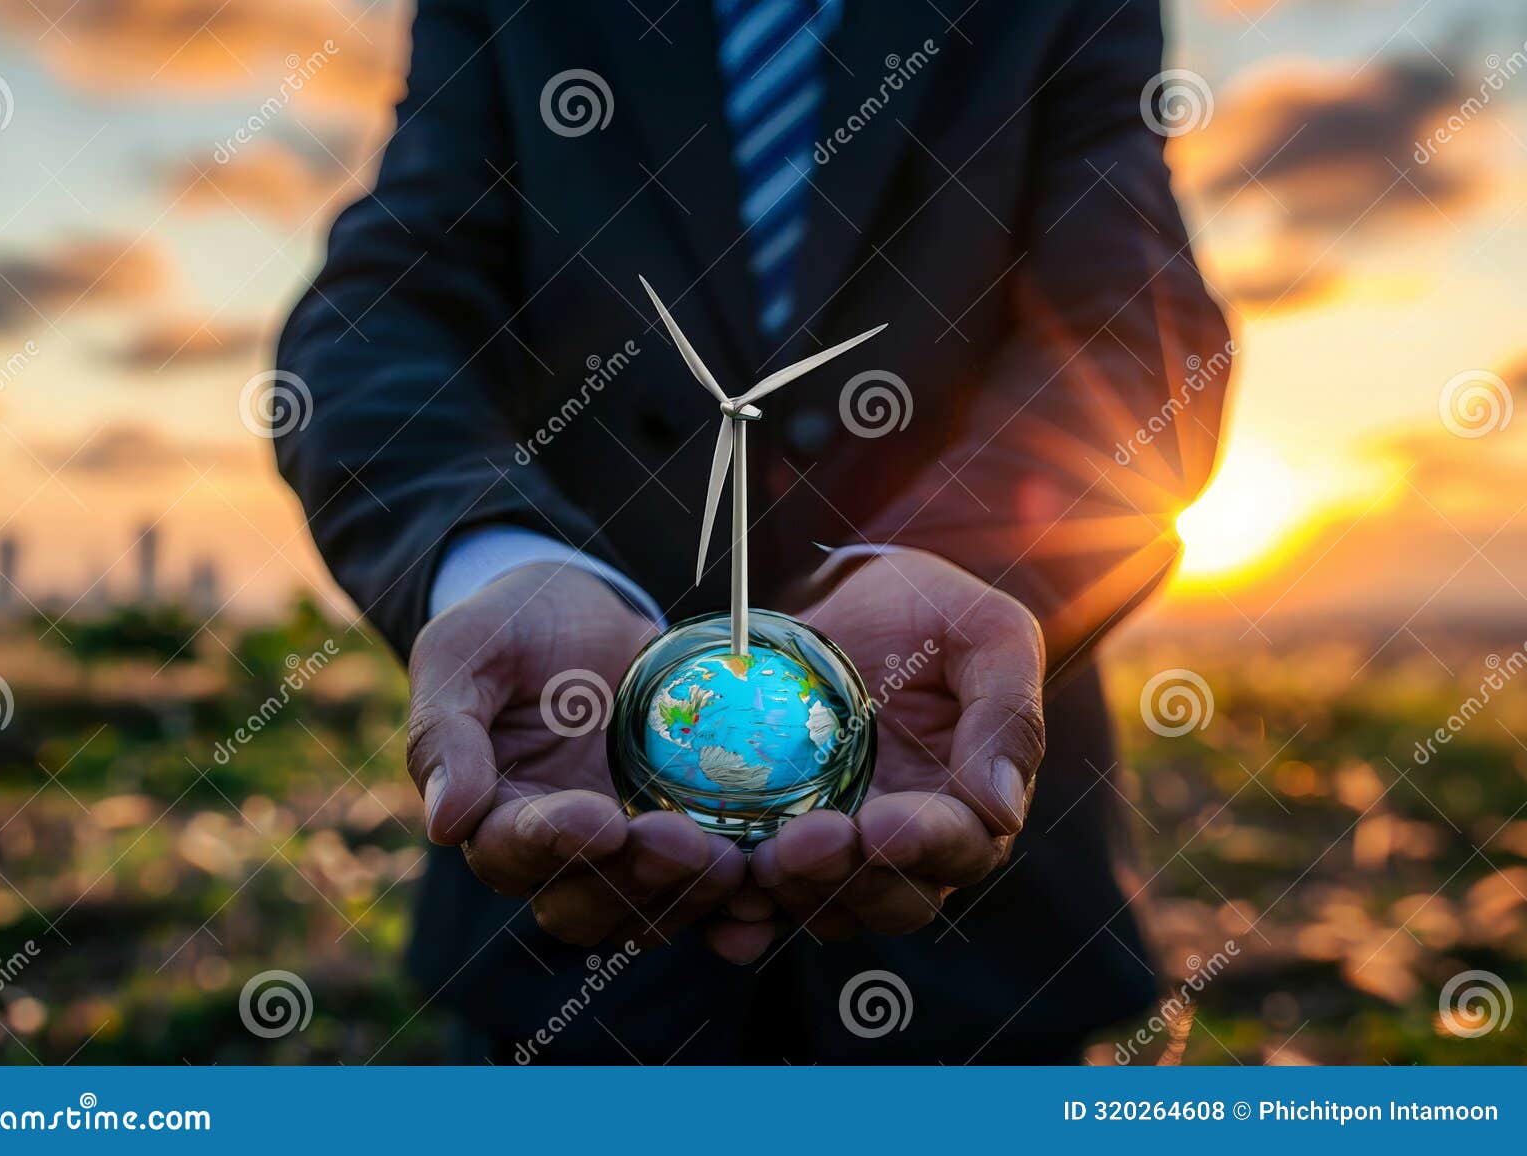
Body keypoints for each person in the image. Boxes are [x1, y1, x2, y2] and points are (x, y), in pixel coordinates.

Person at [275, 0, 1230, 1063]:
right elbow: (385, 316)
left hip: (971, 943)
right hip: (567, 927)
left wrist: (954, 584)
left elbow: (1132, 340)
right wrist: (502, 558)